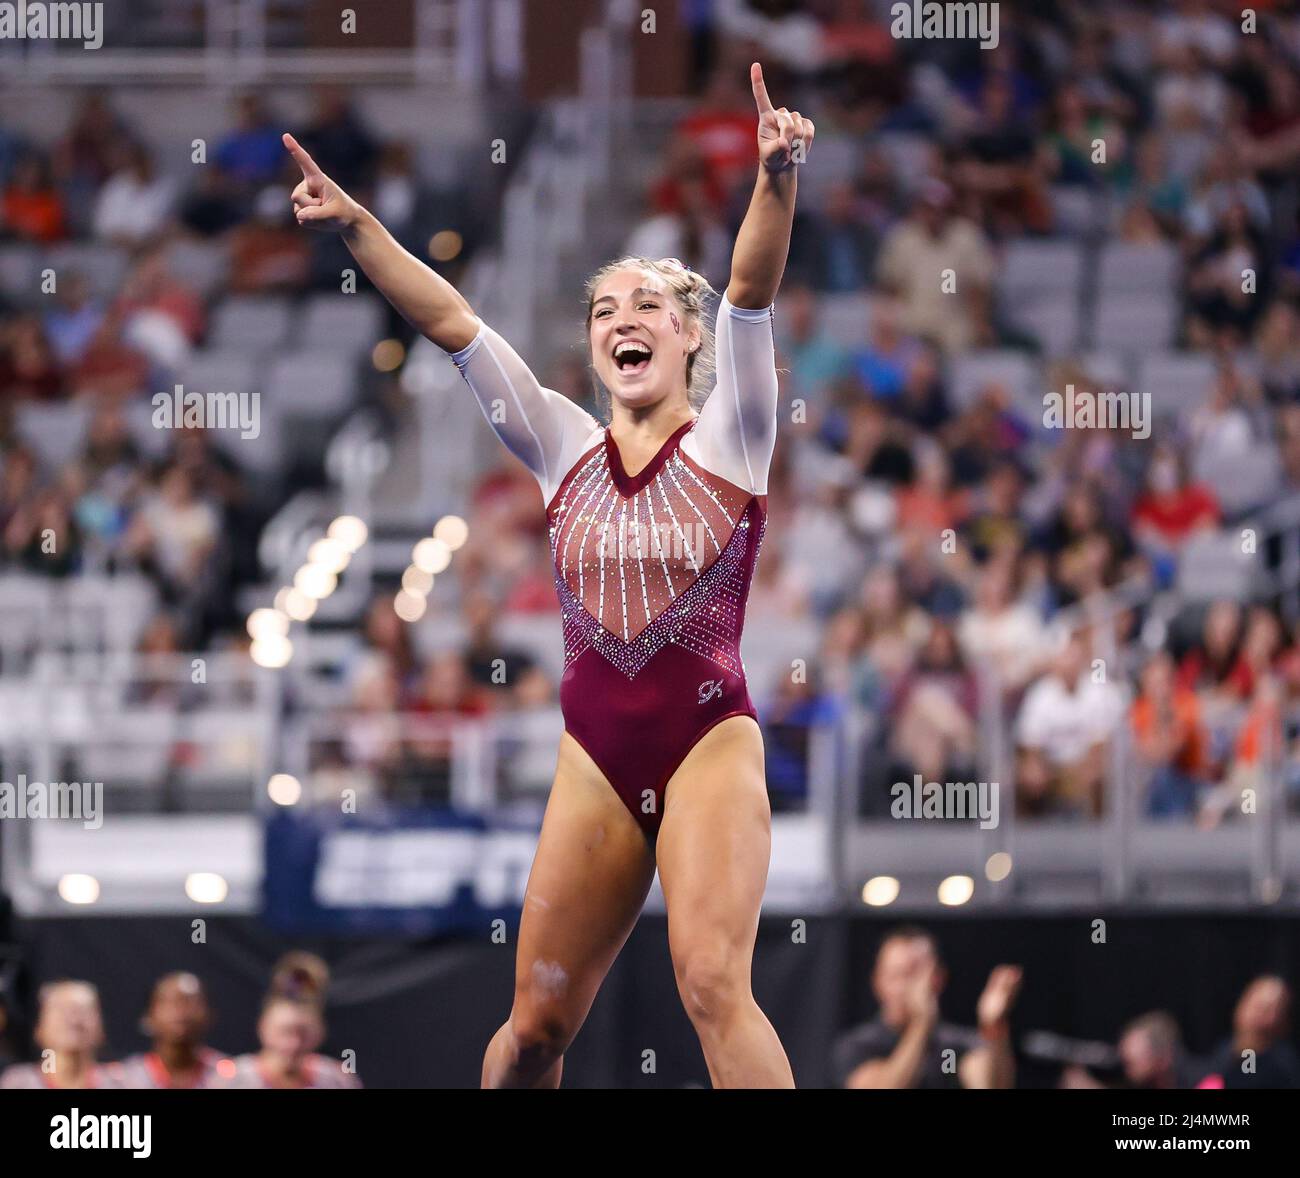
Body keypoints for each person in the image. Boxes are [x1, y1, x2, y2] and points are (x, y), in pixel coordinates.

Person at [284, 60, 812, 1088]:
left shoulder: (733, 433)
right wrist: (356, 227)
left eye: (650, 302)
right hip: (594, 759)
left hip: (707, 743)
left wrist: (774, 178)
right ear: (590, 345)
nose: (624, 315)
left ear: (687, 335)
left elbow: (750, 286)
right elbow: (451, 324)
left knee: (710, 983)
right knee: (533, 1027)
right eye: (605, 305)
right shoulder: (560, 442)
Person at [833, 927, 1022, 1089]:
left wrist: (994, 1025)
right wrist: (921, 1022)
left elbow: (993, 1083)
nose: (906, 987)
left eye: (915, 975)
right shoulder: (859, 1045)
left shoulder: (952, 1048)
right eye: (897, 975)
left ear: (938, 979)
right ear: (878, 981)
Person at [0, 980, 125, 1089]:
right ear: (39, 1029)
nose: (73, 1020)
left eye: (83, 1010)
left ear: (101, 1029)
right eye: (61, 1010)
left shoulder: (121, 1083)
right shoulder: (18, 1083)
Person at [116, 973, 232, 1089]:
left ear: (208, 1014)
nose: (180, 1009)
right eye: (169, 1001)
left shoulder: (229, 1075)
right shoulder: (125, 1079)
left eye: (190, 1001)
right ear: (148, 1017)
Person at [1198, 975, 1298, 1088]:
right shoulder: (1224, 1051)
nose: (1257, 1012)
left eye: (1268, 1008)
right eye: (1255, 1003)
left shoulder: (1280, 1067)